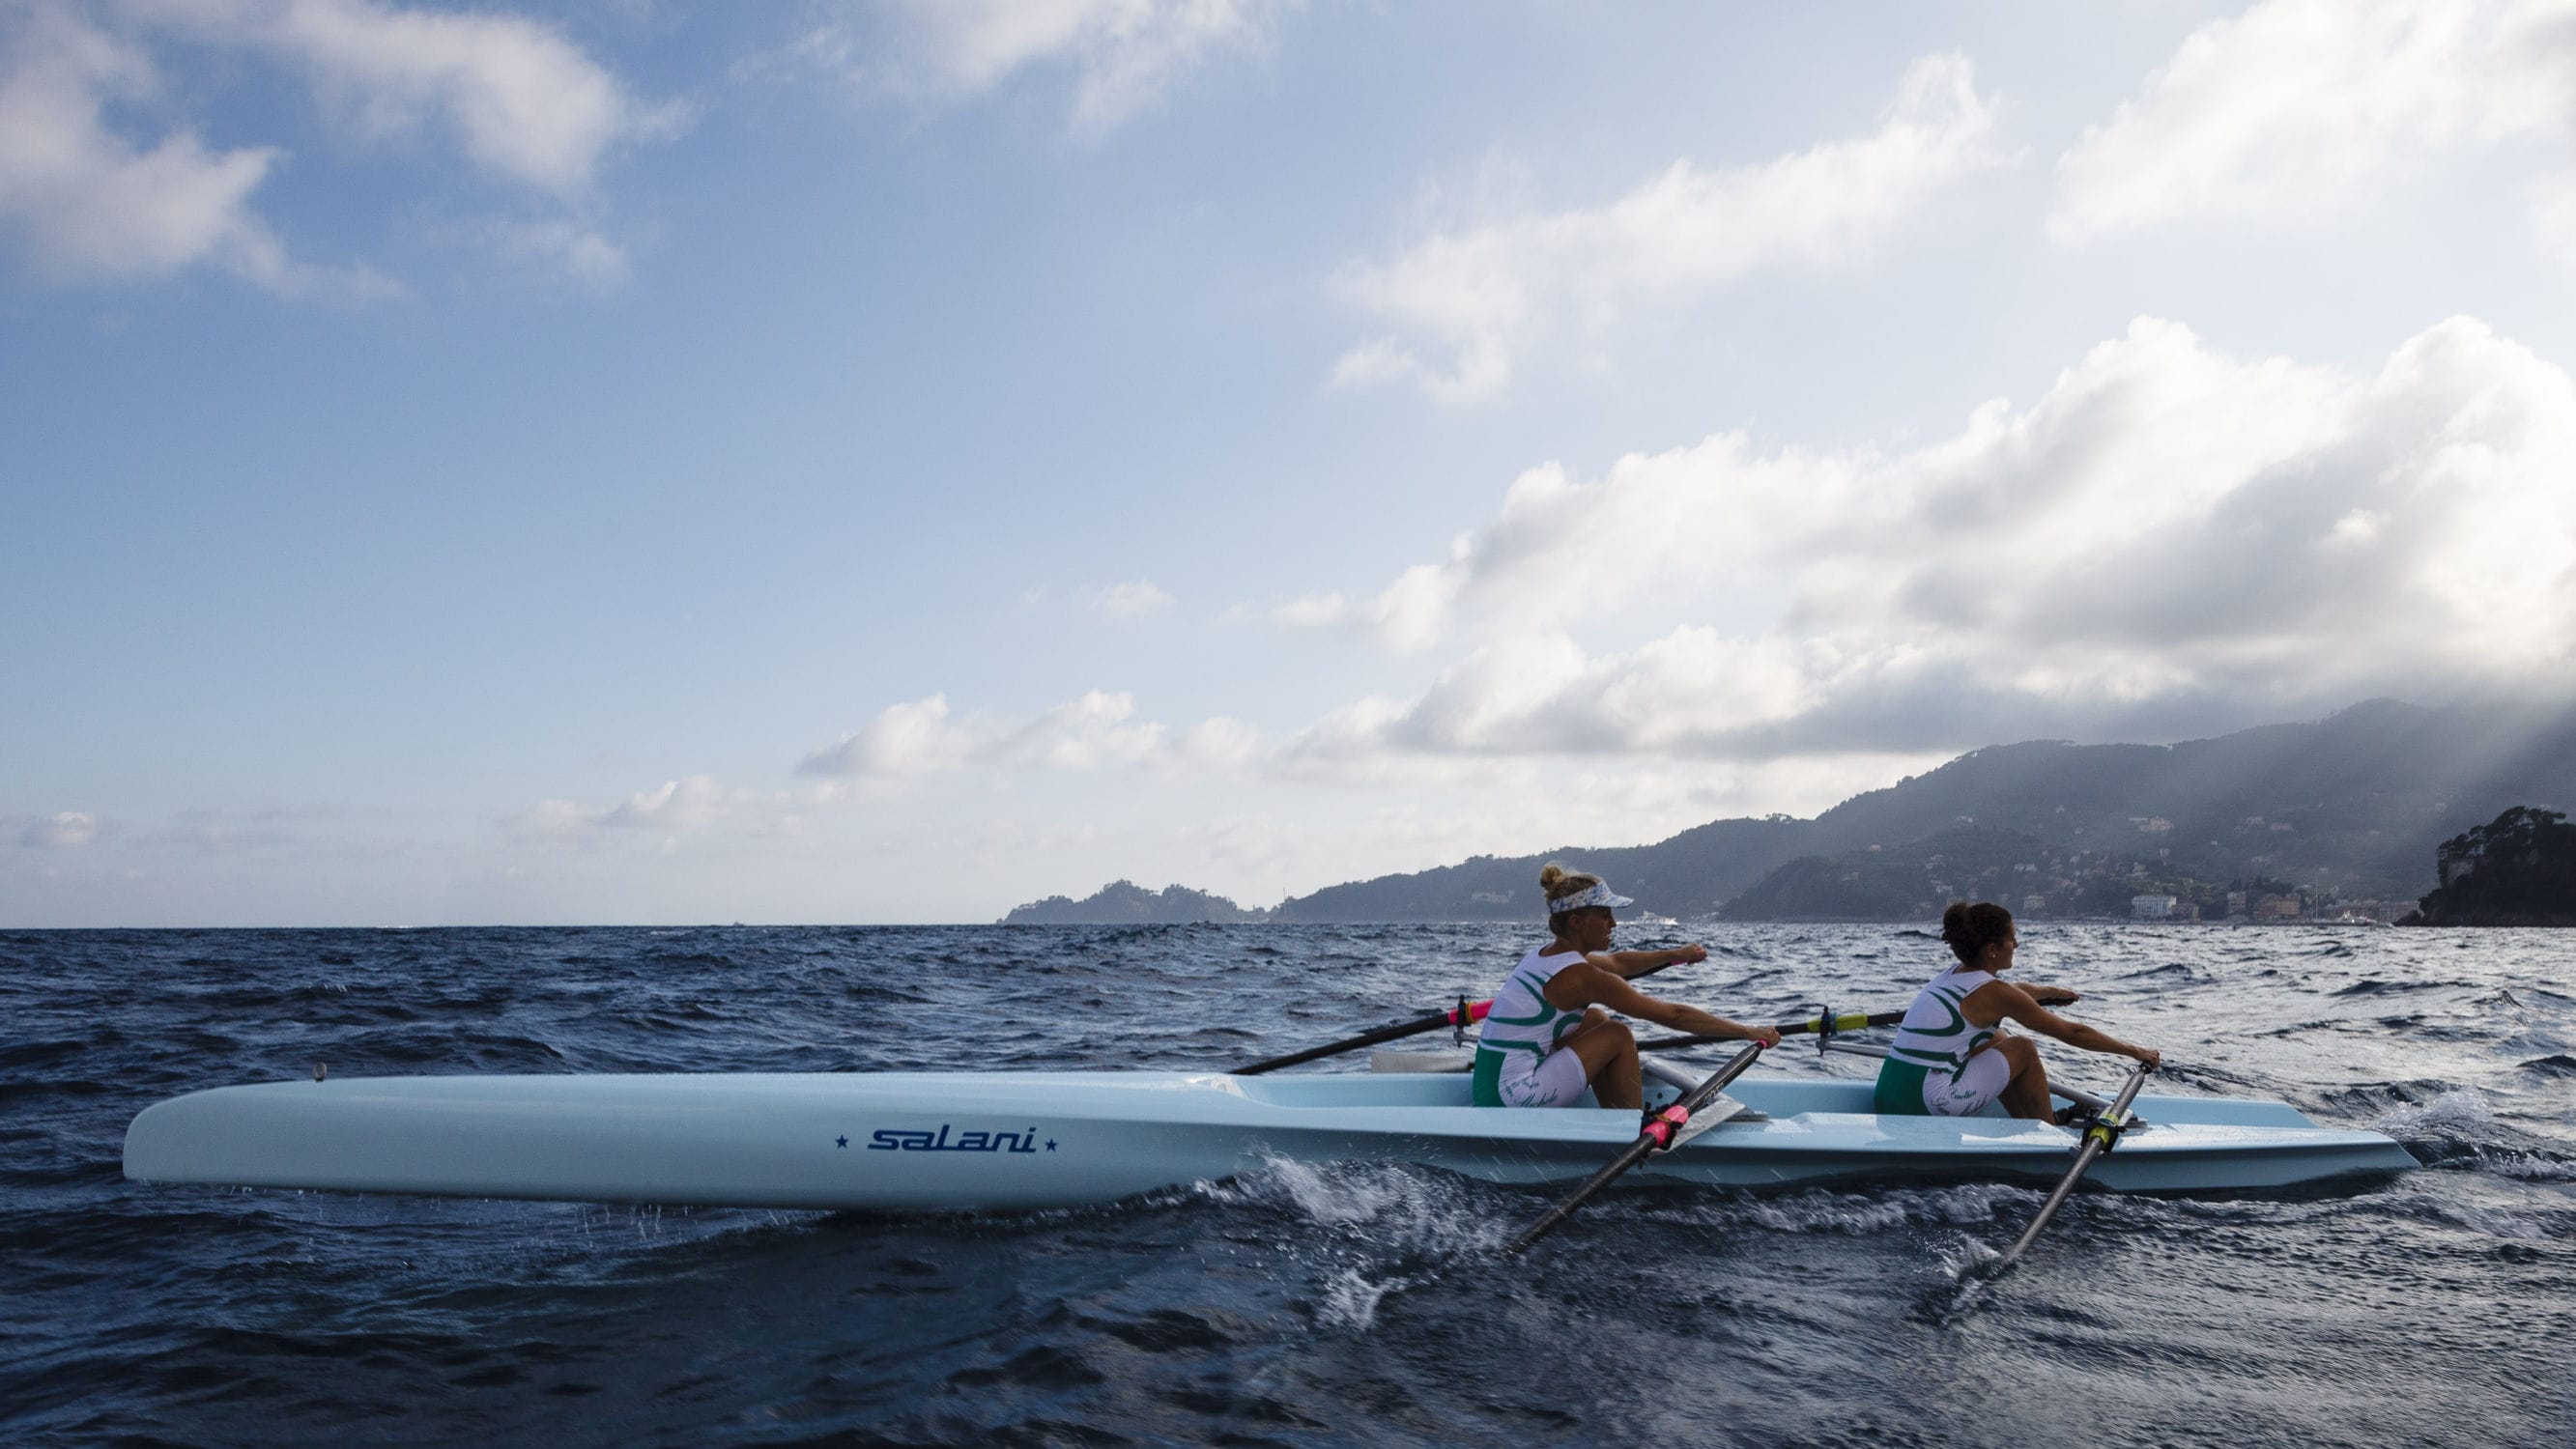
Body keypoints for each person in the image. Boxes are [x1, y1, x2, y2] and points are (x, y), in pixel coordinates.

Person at [1473, 863, 1782, 1111]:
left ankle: (1612, 1107)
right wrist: (1747, 1031)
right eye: (1605, 915)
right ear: (1577, 922)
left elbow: (1620, 964)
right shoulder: (1581, 976)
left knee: (1595, 1020)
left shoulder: (1546, 955)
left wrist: (1675, 955)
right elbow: (1672, 1016)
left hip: (1490, 1085)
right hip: (1510, 1096)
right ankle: (1627, 1128)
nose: (1614, 924)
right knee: (1617, 1035)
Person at [1875, 900, 2161, 1121]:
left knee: (1996, 1038)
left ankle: (2024, 1122)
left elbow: (2015, 991)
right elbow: (2072, 1033)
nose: (2017, 944)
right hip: (1926, 1104)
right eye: (2012, 938)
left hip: (1887, 1097)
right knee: (2022, 1048)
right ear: (1992, 950)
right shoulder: (1995, 993)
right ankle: (2048, 1130)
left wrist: (2052, 993)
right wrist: (2134, 1051)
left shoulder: (1953, 976)